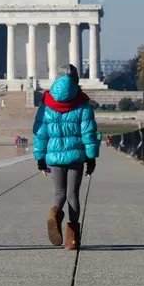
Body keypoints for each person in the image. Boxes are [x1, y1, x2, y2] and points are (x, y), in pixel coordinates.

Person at [33, 64, 100, 250]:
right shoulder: (82, 103)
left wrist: (40, 157)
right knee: (73, 194)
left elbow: (40, 132)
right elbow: (89, 133)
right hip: (76, 156)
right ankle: (72, 238)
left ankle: (54, 214)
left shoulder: (47, 103)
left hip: (53, 156)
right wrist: (91, 157)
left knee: (59, 193)